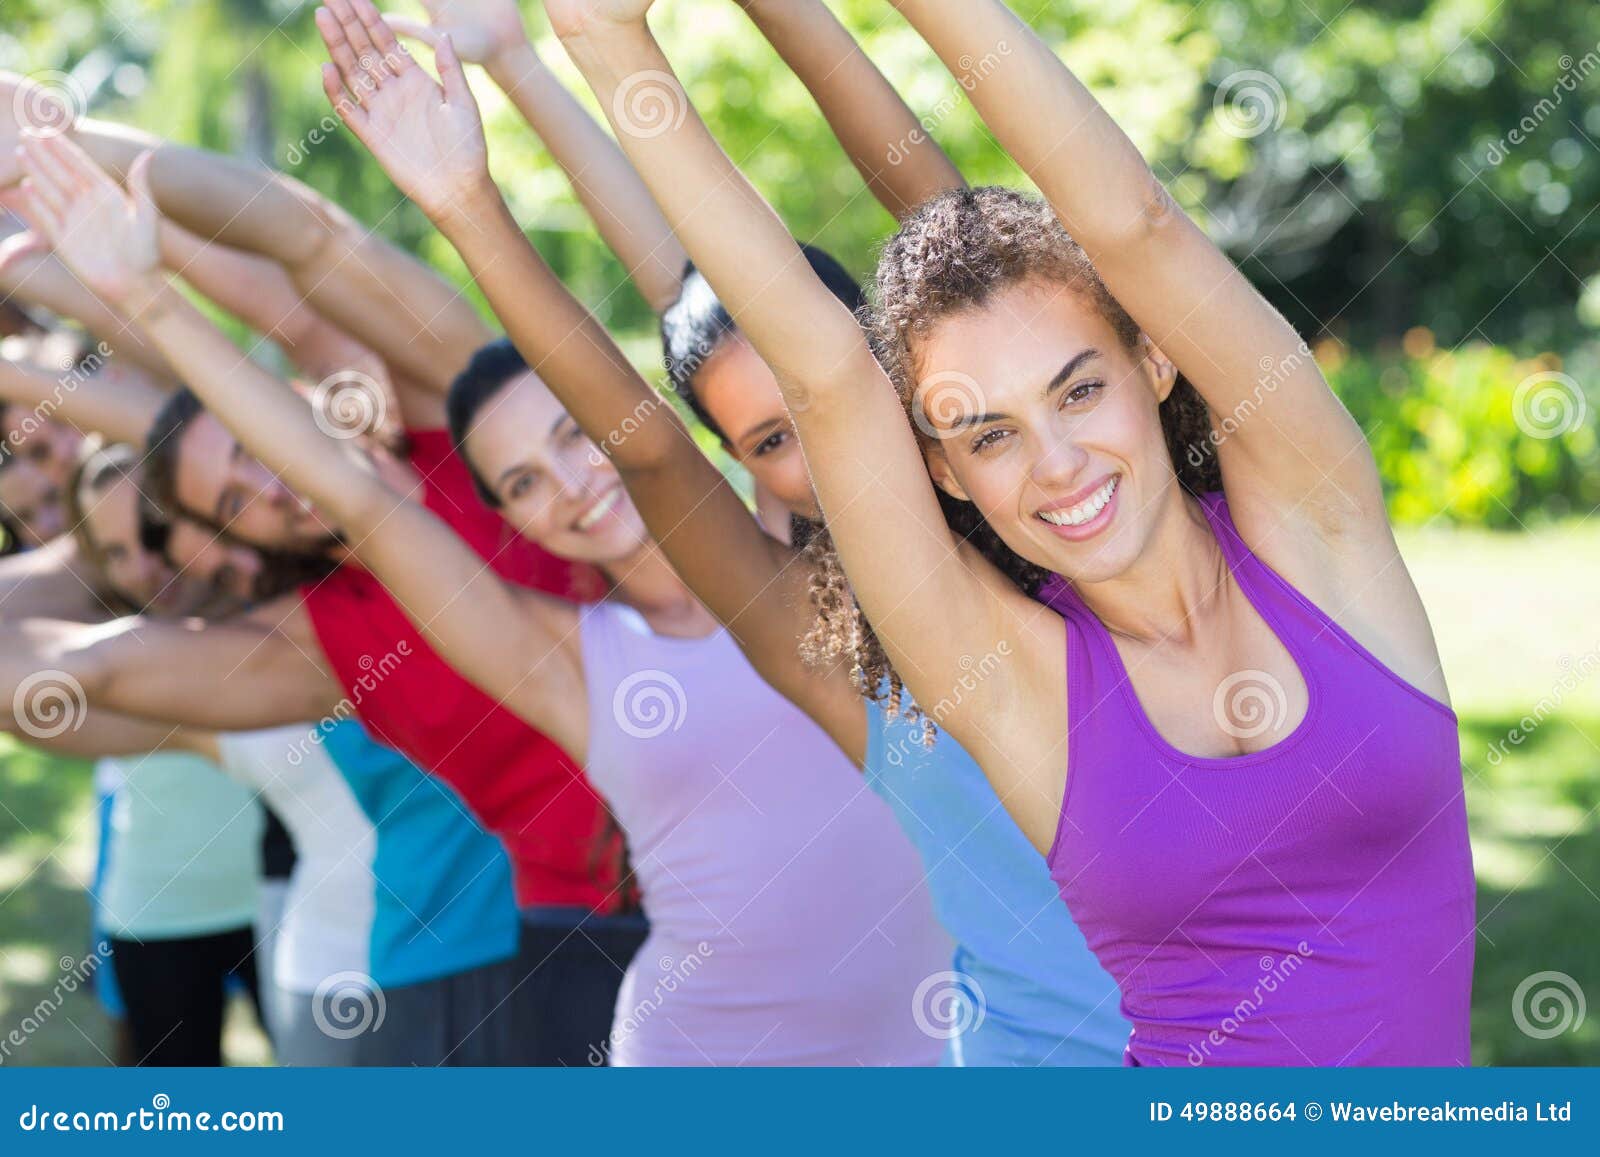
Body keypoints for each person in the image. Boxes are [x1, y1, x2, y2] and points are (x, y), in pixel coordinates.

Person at [540, 0, 1476, 1066]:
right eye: (989, 436)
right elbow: (826, 373)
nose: (1057, 464)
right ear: (943, 469)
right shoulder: (1007, 675)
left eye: (1078, 390)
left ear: (1154, 359)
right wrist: (608, 44)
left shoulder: (1318, 524)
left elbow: (1136, 227)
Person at [16, 91, 953, 1066]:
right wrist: (144, 303)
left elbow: (715, 299)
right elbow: (350, 496)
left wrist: (530, 79)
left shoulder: (806, 555)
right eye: (521, 482)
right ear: (504, 520)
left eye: (572, 436)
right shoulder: (564, 657)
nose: (569, 483)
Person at [354, 0, 1129, 1065]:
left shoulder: (1075, 514)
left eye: (839, 383)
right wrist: (467, 201)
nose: (822, 442)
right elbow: (653, 431)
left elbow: (926, 204)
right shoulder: (821, 639)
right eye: (772, 437)